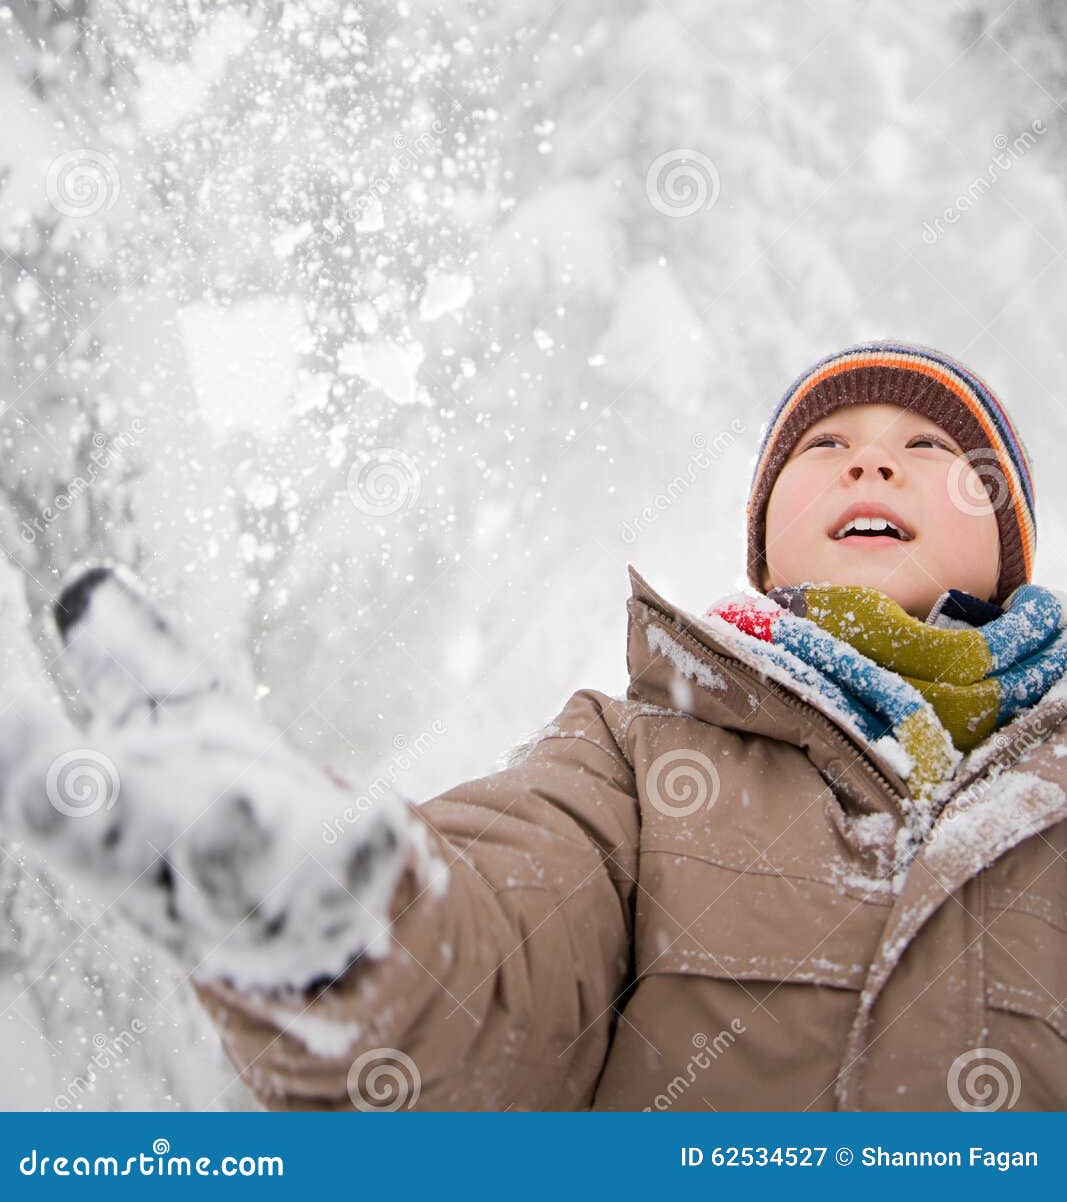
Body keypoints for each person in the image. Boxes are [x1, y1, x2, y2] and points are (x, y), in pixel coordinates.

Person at [5, 340, 1067, 1112]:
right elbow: (493, 975)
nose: (869, 462)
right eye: (823, 442)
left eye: (929, 445)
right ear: (766, 550)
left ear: (1008, 542)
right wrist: (352, 930)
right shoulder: (637, 765)